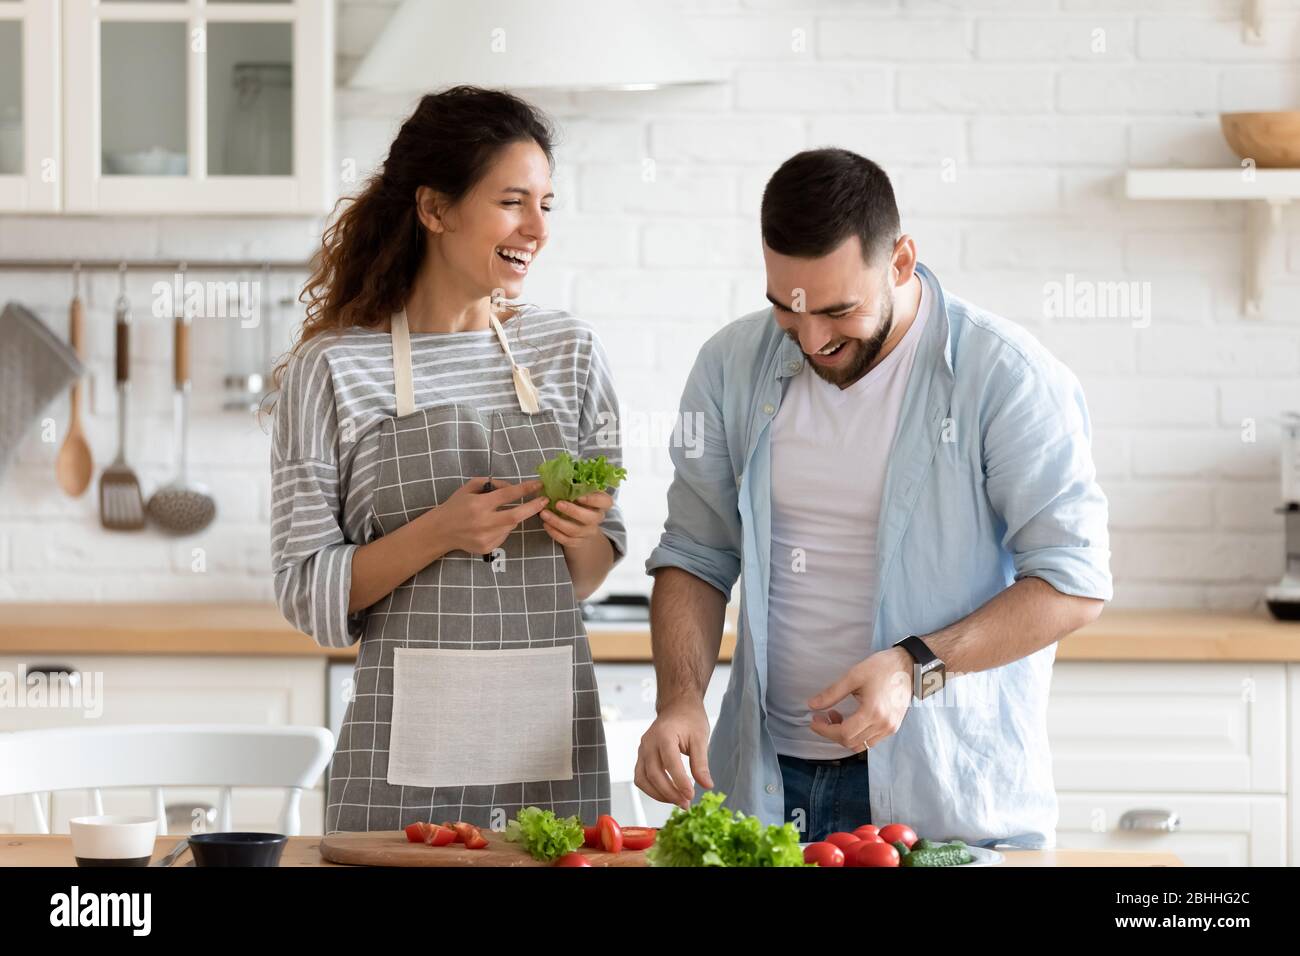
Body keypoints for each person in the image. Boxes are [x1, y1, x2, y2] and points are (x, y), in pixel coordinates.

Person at [636, 148, 1111, 847]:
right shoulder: (729, 366)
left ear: (901, 261)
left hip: (941, 804)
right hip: (765, 786)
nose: (814, 339)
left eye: (838, 311)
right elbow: (696, 553)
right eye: (787, 310)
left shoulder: (1005, 378)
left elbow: (1074, 584)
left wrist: (915, 665)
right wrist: (679, 699)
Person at [269, 87, 627, 833]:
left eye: (547, 205)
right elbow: (308, 593)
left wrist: (580, 528)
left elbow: (586, 578)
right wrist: (442, 531)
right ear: (435, 209)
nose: (537, 228)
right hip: (402, 760)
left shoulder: (569, 354)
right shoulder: (335, 369)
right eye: (512, 202)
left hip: (548, 751)